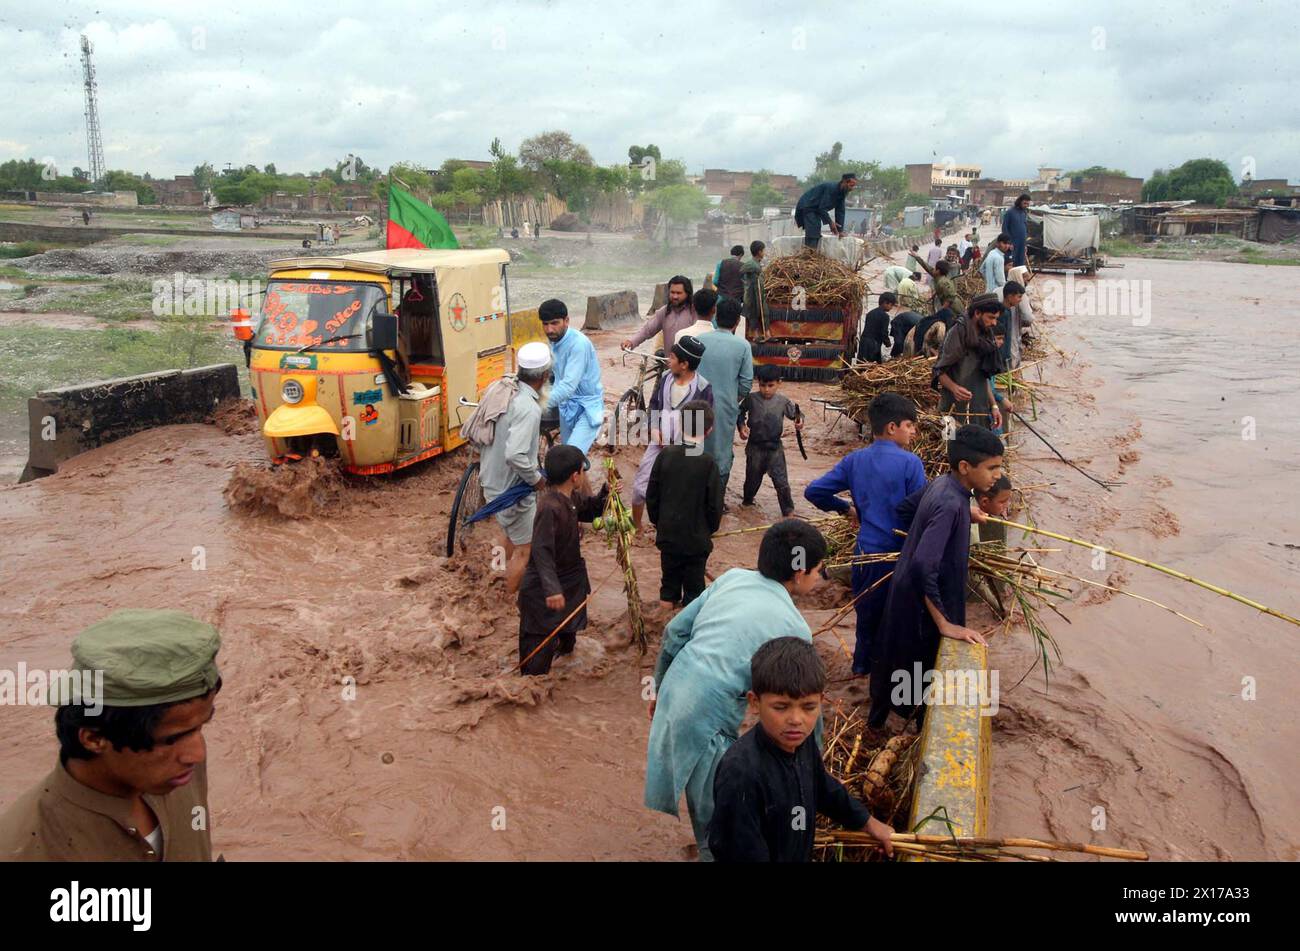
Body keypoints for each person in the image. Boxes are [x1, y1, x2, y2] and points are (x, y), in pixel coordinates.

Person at [644, 519, 827, 860]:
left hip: (674, 694)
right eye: (818, 570)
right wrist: (813, 767)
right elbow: (803, 706)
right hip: (707, 718)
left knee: (714, 805)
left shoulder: (732, 578)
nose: (819, 578)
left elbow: (673, 633)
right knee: (720, 822)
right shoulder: (795, 628)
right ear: (800, 573)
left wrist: (656, 687)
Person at [0, 609, 222, 861]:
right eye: (172, 739)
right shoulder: (28, 850)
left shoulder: (177, 770)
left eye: (200, 727)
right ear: (94, 739)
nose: (197, 754)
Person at [708, 638, 895, 861]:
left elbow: (822, 787)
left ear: (822, 701)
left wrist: (868, 822)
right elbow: (738, 851)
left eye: (808, 707)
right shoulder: (741, 774)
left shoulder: (801, 743)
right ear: (755, 703)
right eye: (781, 707)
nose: (796, 720)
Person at [868, 425, 1003, 730]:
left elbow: (906, 509)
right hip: (924, 605)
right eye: (992, 468)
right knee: (920, 673)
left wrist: (965, 515)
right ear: (966, 467)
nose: (997, 475)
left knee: (893, 662)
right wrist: (945, 623)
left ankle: (875, 725)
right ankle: (915, 733)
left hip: (903, 592)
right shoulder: (951, 504)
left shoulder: (942, 485)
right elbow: (922, 566)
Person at [804, 393, 927, 676]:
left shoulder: (854, 461)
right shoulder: (911, 464)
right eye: (910, 425)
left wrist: (846, 509)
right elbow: (920, 511)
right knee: (899, 624)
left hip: (865, 557)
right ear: (892, 427)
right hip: (898, 557)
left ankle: (860, 671)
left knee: (866, 622)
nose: (914, 431)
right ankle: (887, 682)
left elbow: (814, 491)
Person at [516, 445, 609, 675]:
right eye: (582, 471)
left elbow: (591, 510)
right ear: (575, 476)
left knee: (567, 638)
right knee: (536, 665)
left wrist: (607, 493)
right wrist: (551, 589)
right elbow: (541, 551)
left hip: (568, 582)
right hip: (544, 592)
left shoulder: (570, 498)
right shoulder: (549, 507)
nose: (584, 476)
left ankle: (565, 651)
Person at [478, 340, 550, 593]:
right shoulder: (529, 408)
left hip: (490, 482)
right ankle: (506, 602)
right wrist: (537, 480)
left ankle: (494, 576)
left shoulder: (500, 388)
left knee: (508, 533)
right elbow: (517, 455)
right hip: (511, 492)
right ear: (544, 376)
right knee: (525, 549)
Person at [631, 335, 714, 533]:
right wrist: (653, 427)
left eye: (672, 358)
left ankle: (670, 529)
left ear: (684, 364)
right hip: (658, 442)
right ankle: (637, 526)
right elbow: (654, 405)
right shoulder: (666, 377)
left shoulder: (703, 388)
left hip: (685, 449)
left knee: (679, 490)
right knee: (640, 485)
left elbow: (705, 423)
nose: (668, 361)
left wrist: (686, 445)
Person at [648, 400, 723, 610]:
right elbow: (715, 506)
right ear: (709, 430)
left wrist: (658, 522)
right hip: (696, 541)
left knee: (668, 586)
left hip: (668, 536)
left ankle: (661, 628)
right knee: (694, 590)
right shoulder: (708, 463)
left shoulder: (665, 455)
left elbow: (652, 495)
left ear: (680, 425)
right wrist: (710, 529)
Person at [696, 297, 753, 493]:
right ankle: (716, 501)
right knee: (720, 454)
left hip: (694, 404)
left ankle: (692, 497)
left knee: (692, 449)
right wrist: (731, 398)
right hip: (724, 407)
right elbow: (746, 383)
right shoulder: (742, 346)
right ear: (738, 321)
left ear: (716, 316)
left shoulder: (699, 341)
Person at [540, 299, 604, 455]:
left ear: (566, 321)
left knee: (568, 458)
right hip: (566, 407)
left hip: (587, 408)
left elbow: (568, 386)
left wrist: (537, 403)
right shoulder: (554, 340)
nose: (549, 329)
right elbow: (553, 373)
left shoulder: (578, 345)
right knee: (570, 459)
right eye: (545, 324)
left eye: (554, 323)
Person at [933, 294, 1006, 430]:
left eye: (996, 318)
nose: (994, 323)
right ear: (977, 313)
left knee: (977, 445)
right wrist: (954, 388)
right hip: (953, 408)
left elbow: (984, 376)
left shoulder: (986, 336)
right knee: (949, 445)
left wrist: (994, 406)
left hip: (978, 407)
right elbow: (939, 371)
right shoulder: (957, 333)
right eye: (991, 317)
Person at [737, 364, 802, 516]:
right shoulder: (751, 399)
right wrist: (741, 427)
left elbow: (797, 415)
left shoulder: (783, 401)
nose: (766, 389)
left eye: (770, 385)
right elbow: (739, 412)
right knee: (752, 480)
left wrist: (799, 421)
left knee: (781, 482)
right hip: (755, 447)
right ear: (757, 383)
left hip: (775, 448)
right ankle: (747, 503)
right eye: (762, 385)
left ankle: (788, 512)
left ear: (779, 383)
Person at [625, 275, 696, 355]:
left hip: (690, 364)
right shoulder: (664, 312)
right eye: (672, 292)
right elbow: (647, 330)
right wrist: (631, 341)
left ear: (688, 293)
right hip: (669, 362)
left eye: (679, 293)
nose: (675, 296)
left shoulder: (695, 312)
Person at [794, 172, 857, 248]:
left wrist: (840, 230)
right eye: (851, 185)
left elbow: (840, 211)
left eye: (854, 186)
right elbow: (822, 208)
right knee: (813, 231)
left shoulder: (842, 193)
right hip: (807, 207)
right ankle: (809, 255)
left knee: (816, 232)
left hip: (815, 210)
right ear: (844, 182)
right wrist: (830, 222)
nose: (852, 189)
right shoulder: (831, 189)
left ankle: (812, 252)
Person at [995, 273, 1034, 370]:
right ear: (1009, 297)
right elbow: (1002, 339)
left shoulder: (1006, 311)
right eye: (1019, 297)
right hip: (1002, 358)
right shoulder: (1003, 314)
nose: (1020, 300)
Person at [856, 292, 896, 364]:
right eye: (891, 305)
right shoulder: (885, 316)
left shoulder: (870, 313)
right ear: (885, 303)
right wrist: (888, 343)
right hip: (873, 344)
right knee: (872, 366)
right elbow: (883, 333)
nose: (891, 308)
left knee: (861, 364)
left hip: (864, 342)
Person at [1002, 193, 1031, 267]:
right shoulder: (1010, 212)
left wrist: (1025, 244)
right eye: (1024, 203)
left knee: (1020, 264)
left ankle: (1017, 278)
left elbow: (1025, 227)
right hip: (1013, 243)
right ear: (1019, 201)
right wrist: (1008, 243)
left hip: (1022, 243)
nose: (1026, 205)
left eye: (1027, 204)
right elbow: (1005, 228)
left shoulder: (1024, 213)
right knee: (1011, 263)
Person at [741, 240, 766, 326]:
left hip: (758, 293)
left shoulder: (758, 263)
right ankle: (755, 335)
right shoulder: (751, 264)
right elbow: (741, 270)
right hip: (752, 295)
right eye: (764, 250)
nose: (764, 253)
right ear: (759, 252)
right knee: (753, 315)